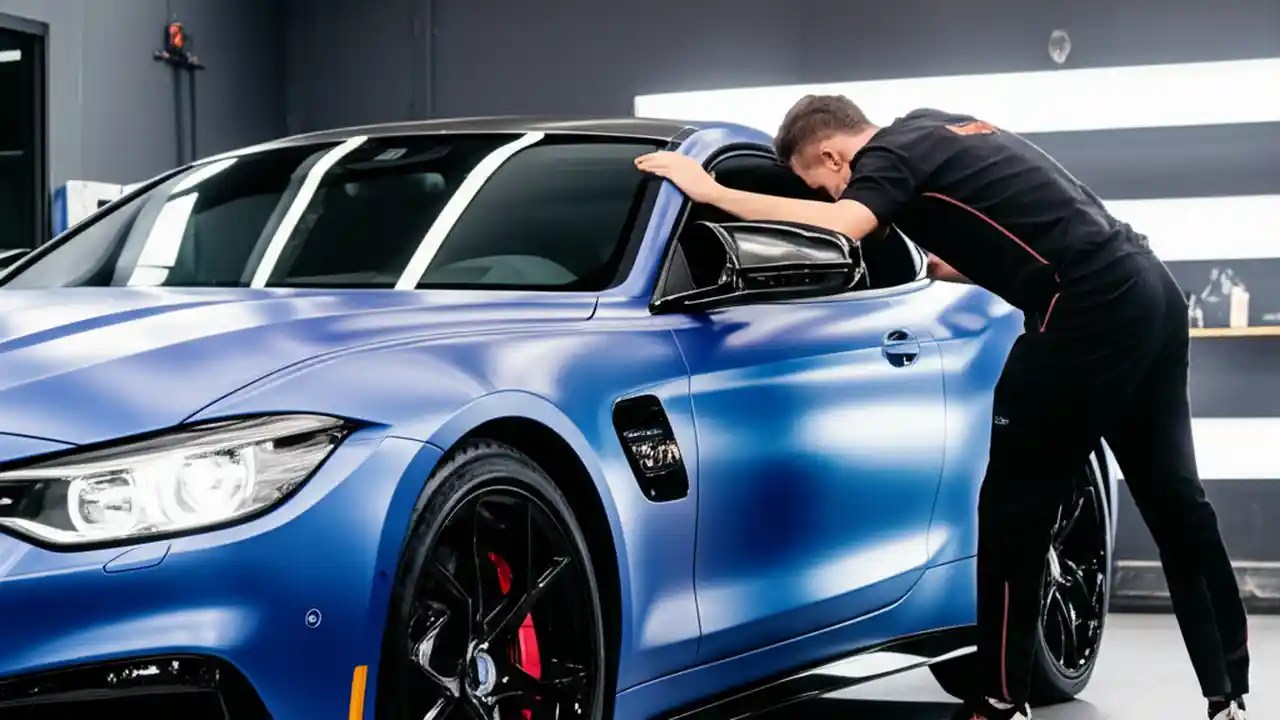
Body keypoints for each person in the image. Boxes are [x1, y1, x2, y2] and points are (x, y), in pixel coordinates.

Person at [635, 96, 1250, 720]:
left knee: (1015, 506)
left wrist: (710, 191)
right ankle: (1228, 686)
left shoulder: (885, 157)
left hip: (1085, 307)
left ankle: (999, 700)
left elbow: (843, 226)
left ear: (832, 154)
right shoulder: (933, 126)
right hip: (1149, 289)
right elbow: (1014, 218)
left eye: (819, 185)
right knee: (1177, 501)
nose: (825, 197)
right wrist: (944, 266)